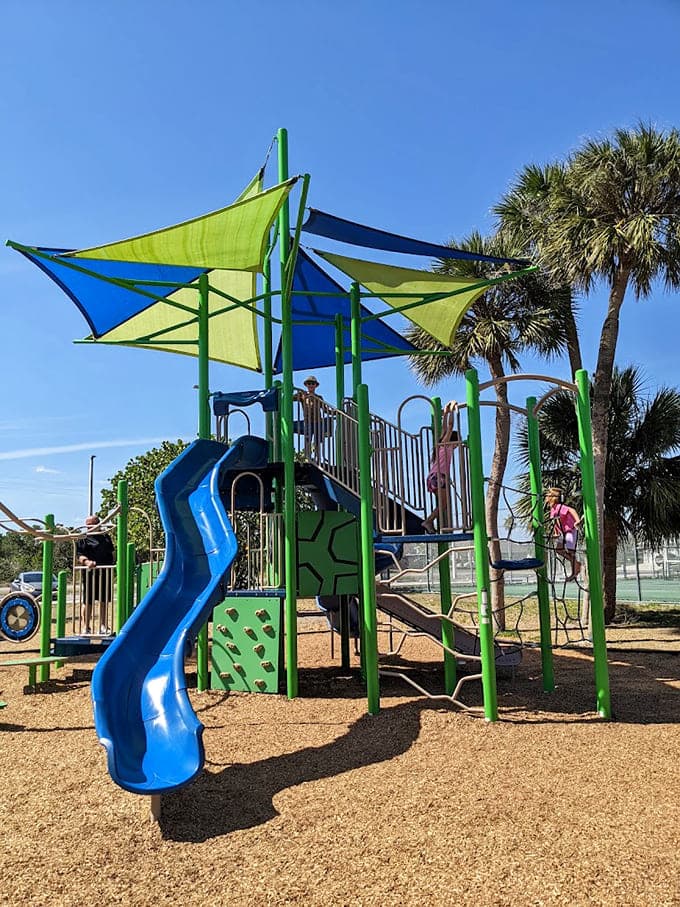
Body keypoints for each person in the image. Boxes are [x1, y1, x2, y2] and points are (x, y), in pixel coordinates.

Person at [422, 403, 459, 534]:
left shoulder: (440, 445)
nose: (457, 446)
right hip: (439, 477)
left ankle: (430, 522)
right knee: (444, 504)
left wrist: (446, 412)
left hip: (432, 478)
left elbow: (444, 428)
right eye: (457, 443)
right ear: (453, 441)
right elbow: (449, 427)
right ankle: (428, 521)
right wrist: (454, 411)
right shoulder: (446, 445)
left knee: (443, 503)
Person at [76, 515, 115, 634]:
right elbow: (79, 555)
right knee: (87, 601)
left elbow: (112, 553)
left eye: (91, 524)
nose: (89, 527)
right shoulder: (83, 538)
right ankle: (86, 627)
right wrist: (87, 562)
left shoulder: (105, 537)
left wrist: (112, 564)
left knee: (104, 600)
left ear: (98, 524)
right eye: (87, 525)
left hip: (104, 573)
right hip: (89, 575)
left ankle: (103, 626)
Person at [545, 487, 582, 581]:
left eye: (547, 495)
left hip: (570, 530)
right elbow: (556, 521)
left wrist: (577, 521)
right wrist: (556, 532)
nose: (546, 497)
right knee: (558, 550)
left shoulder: (558, 506)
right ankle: (576, 564)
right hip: (563, 532)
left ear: (552, 498)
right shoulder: (553, 509)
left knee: (570, 552)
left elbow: (571, 510)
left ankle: (574, 572)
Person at [294, 375, 325, 457]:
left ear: (315, 385)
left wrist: (336, 412)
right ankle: (308, 457)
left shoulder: (319, 397)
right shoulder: (303, 395)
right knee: (308, 439)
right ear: (306, 385)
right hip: (308, 422)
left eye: (313, 383)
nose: (311, 385)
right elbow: (291, 398)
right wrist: (291, 388)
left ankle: (317, 458)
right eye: (309, 383)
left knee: (318, 441)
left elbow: (325, 409)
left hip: (318, 421)